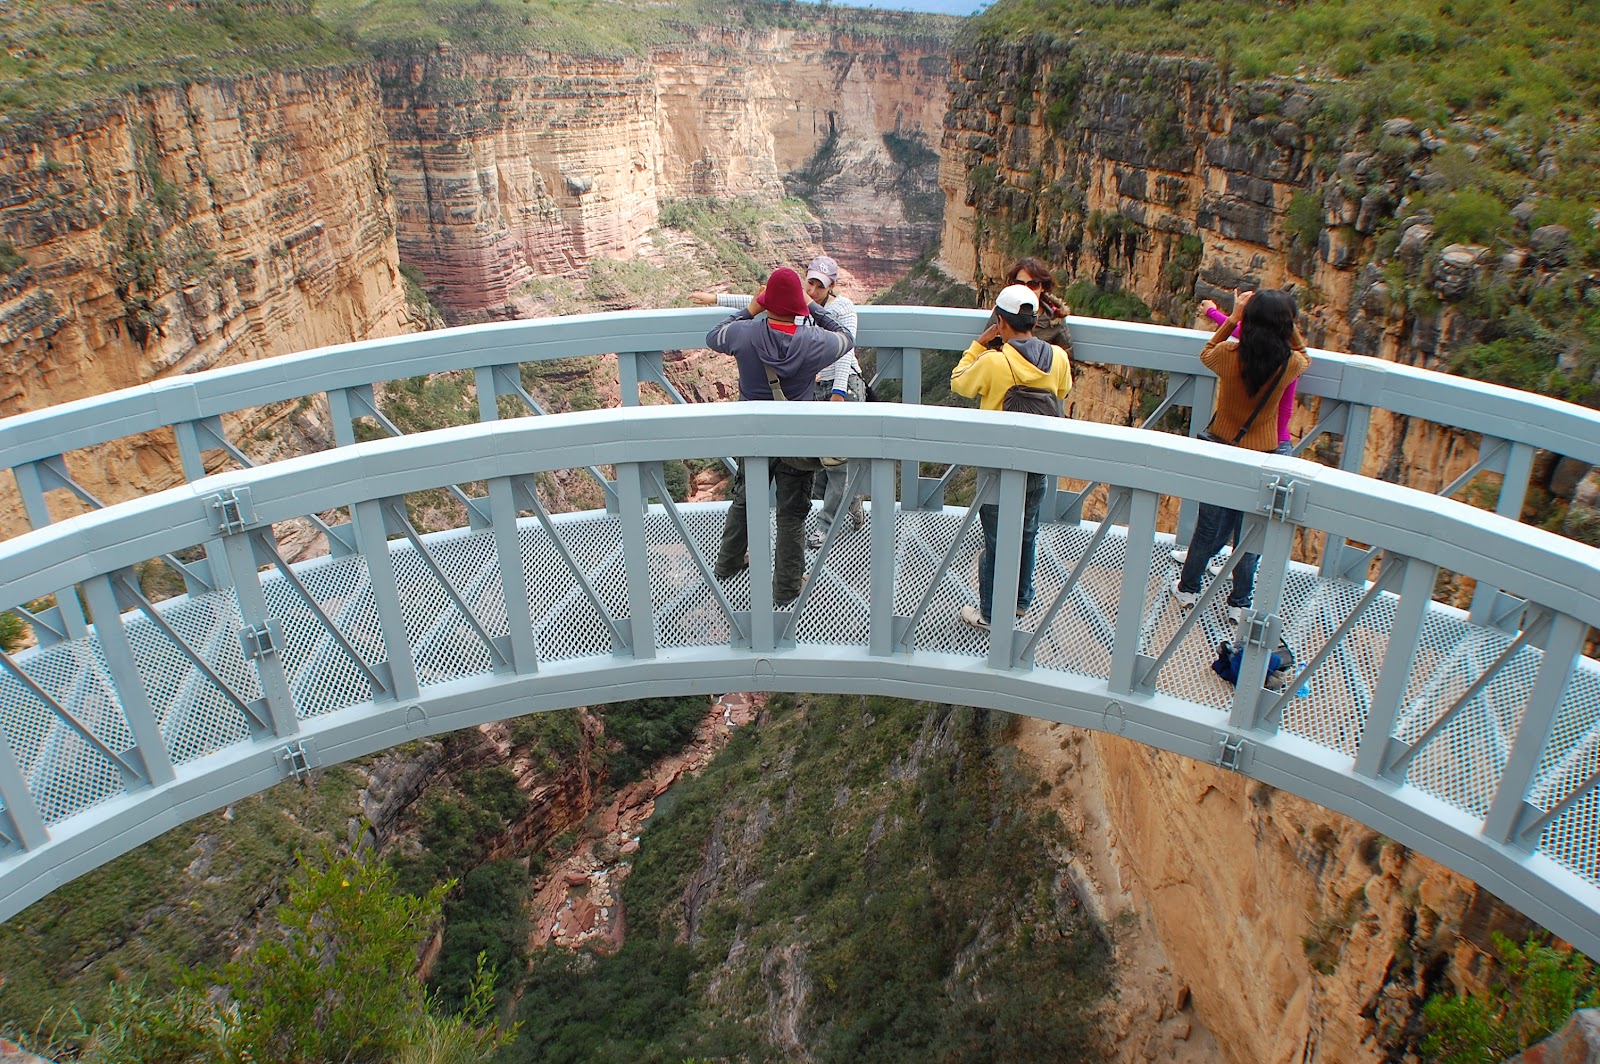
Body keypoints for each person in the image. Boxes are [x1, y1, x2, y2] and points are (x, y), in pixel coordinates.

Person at [692, 256, 866, 548]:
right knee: (802, 490)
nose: (811, 290)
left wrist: (839, 393)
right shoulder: (812, 336)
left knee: (833, 466)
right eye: (808, 284)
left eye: (818, 286)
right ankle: (787, 582)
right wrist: (716, 298)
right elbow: (843, 339)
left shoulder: (840, 309)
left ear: (831, 286)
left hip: (833, 389)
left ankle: (832, 517)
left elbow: (846, 354)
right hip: (802, 404)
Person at [1169, 289, 1310, 624]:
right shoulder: (1289, 364)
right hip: (1264, 453)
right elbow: (1304, 353)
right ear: (1285, 325)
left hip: (1222, 447)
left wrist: (1232, 316)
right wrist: (1286, 324)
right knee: (1250, 534)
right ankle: (1239, 601)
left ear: (1249, 321)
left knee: (1208, 525)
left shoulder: (1229, 355)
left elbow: (1206, 352)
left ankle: (1188, 588)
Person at [950, 283, 1074, 631]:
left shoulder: (993, 361)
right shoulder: (1059, 358)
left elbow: (958, 382)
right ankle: (1020, 600)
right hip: (1037, 461)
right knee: (1027, 531)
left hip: (998, 466)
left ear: (1001, 323)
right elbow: (1062, 391)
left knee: (995, 539)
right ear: (1034, 322)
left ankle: (990, 614)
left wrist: (977, 345)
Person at [985, 258, 1071, 349]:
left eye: (1033, 284)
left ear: (1042, 287)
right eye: (1019, 283)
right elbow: (986, 346)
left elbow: (1066, 357)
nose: (1026, 289)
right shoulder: (1003, 310)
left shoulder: (1055, 320)